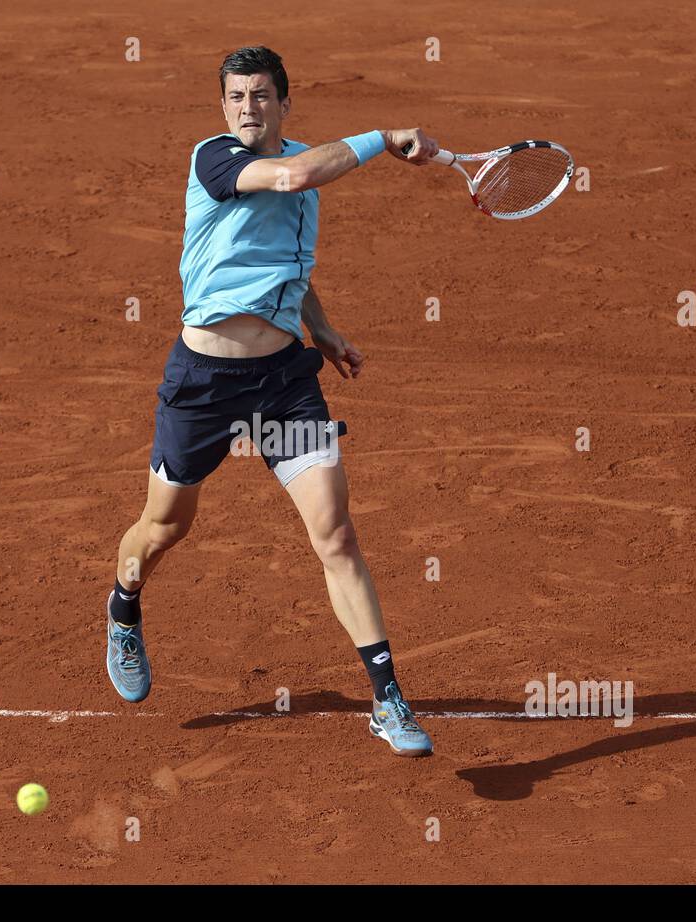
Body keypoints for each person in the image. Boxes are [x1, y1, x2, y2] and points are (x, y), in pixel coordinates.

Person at [107, 45, 439, 756]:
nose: (246, 109)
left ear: (285, 103)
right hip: (203, 385)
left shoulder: (304, 183)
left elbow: (290, 266)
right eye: (235, 97)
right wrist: (383, 139)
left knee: (337, 534)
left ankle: (388, 700)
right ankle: (125, 606)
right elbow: (291, 175)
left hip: (283, 388)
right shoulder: (217, 159)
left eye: (260, 96)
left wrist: (322, 332)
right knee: (165, 528)